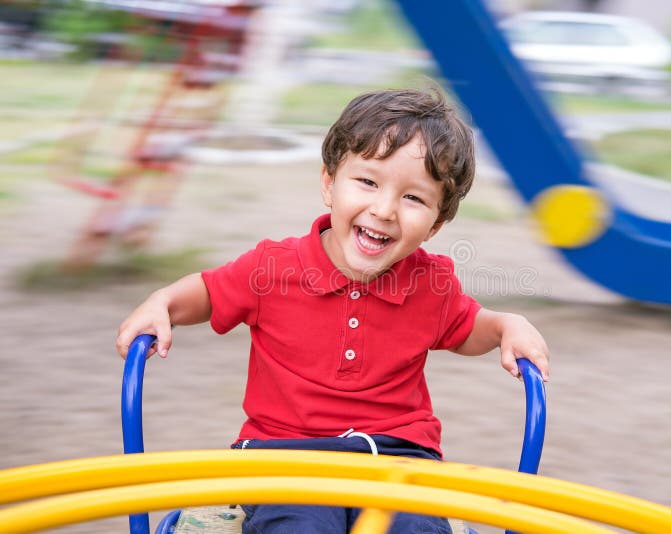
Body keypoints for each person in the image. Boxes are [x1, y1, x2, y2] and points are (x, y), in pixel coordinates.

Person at [116, 87, 550, 534]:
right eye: (367, 182)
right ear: (329, 183)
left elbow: (466, 328)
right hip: (286, 455)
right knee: (300, 527)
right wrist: (163, 302)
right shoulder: (273, 268)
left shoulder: (430, 283)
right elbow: (209, 291)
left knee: (413, 528)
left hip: (398, 455)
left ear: (436, 223)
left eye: (414, 198)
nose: (383, 210)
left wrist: (506, 325)